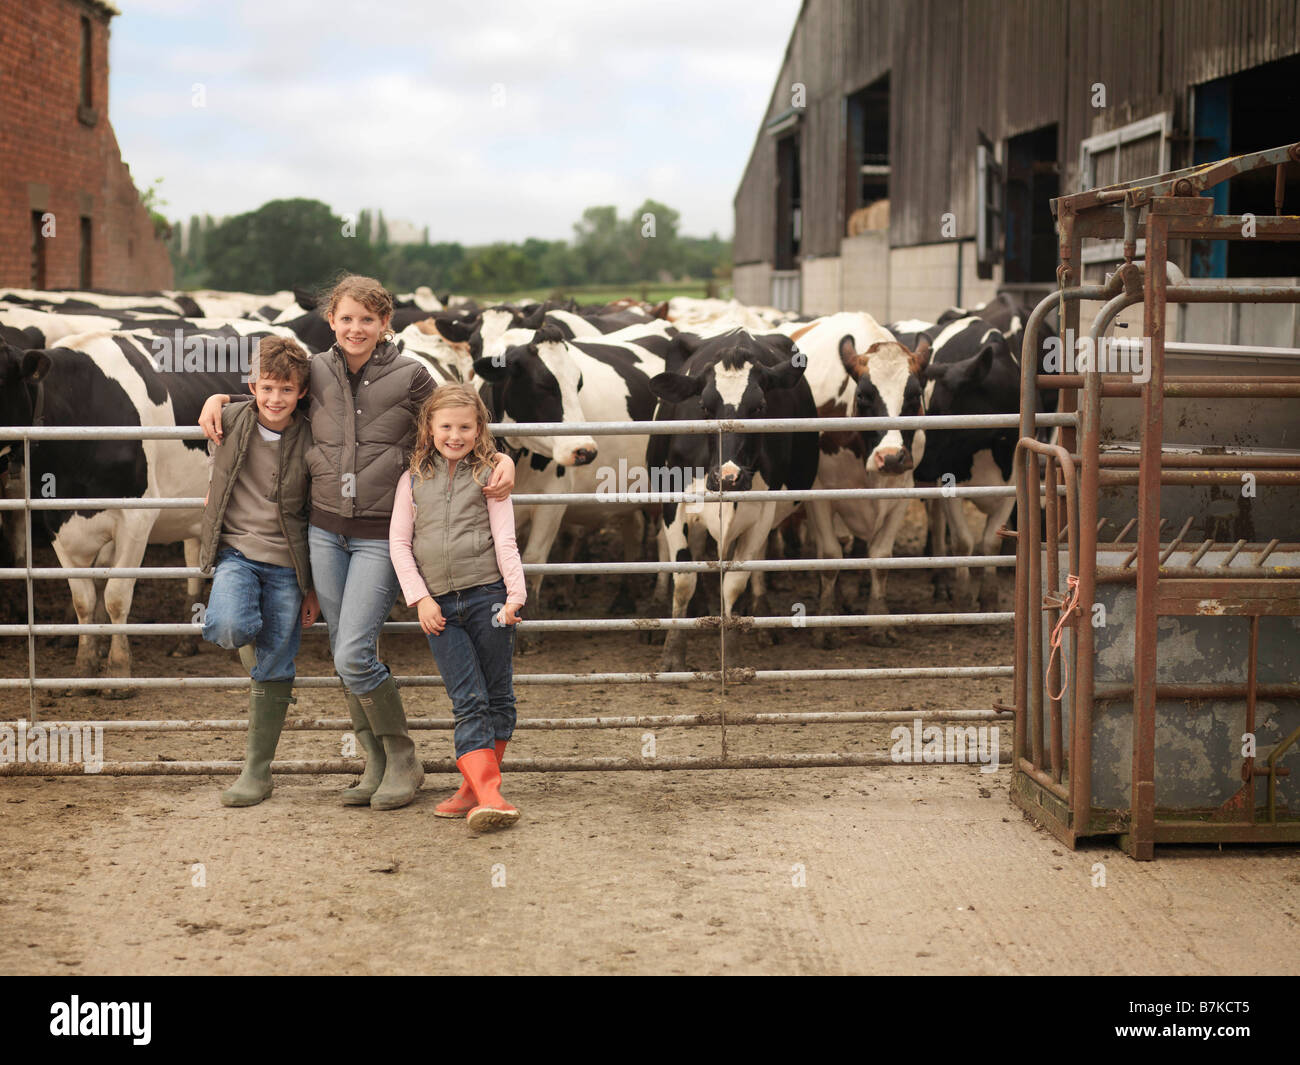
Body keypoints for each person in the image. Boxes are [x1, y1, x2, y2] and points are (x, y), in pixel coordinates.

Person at [199, 275, 515, 810]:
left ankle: (403, 759)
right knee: (346, 653)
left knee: (352, 651)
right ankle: (374, 763)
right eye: (346, 318)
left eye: (367, 319)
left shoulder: (412, 376)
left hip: (378, 536)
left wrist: (500, 454)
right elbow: (274, 392)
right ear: (331, 321)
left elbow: (456, 417)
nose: (355, 328)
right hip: (324, 532)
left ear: (385, 324)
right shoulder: (316, 370)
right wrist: (220, 397)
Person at [389, 384, 525, 831]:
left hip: (488, 597)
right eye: (446, 426)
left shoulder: (490, 474)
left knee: (499, 696)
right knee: (468, 699)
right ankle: (491, 794)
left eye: (465, 427)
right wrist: (420, 598)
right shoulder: (412, 480)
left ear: (479, 429)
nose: (455, 435)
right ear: (429, 429)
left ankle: (475, 789)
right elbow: (399, 545)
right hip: (439, 607)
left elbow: (505, 539)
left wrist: (515, 596)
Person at [198, 336, 320, 807]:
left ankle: (257, 771)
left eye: (286, 390)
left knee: (276, 662)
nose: (275, 399)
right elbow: (218, 405)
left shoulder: (312, 432)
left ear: (302, 392)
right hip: (237, 554)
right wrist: (219, 397)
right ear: (252, 385)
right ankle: (267, 681)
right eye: (267, 388)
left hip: (289, 565)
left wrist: (311, 587)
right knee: (228, 625)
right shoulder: (229, 418)